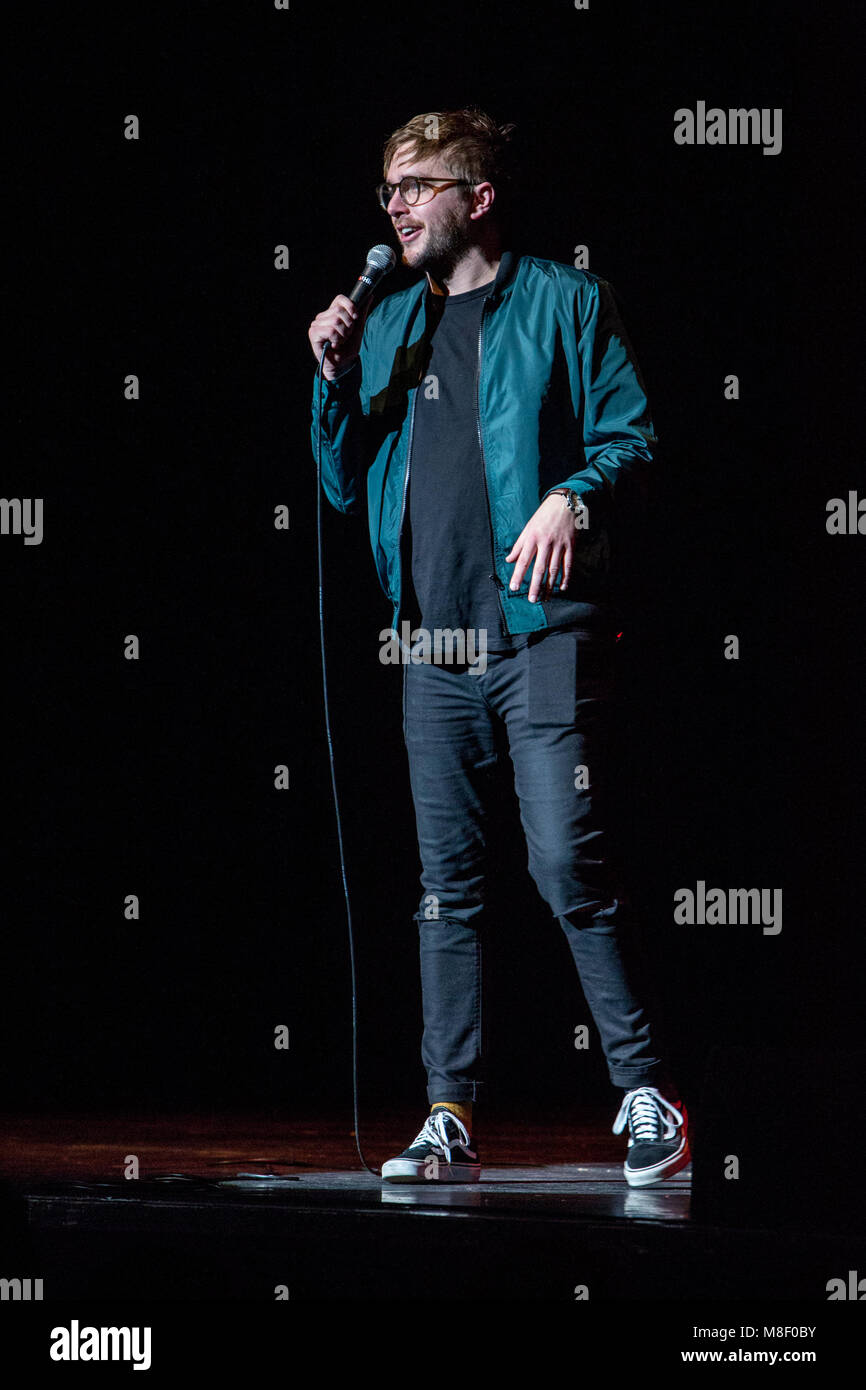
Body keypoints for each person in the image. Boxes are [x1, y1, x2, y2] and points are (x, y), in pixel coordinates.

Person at [308, 108, 689, 1188]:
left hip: (539, 637)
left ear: (476, 199)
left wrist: (574, 494)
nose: (395, 205)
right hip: (432, 648)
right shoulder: (387, 324)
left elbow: (634, 435)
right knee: (444, 885)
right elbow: (343, 487)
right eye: (386, 188)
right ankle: (446, 1115)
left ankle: (646, 1089)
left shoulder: (566, 302)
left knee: (566, 856)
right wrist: (331, 377)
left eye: (417, 184)